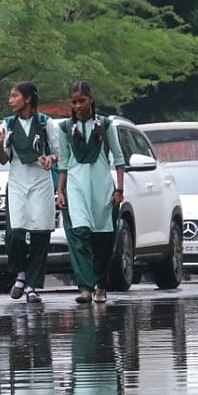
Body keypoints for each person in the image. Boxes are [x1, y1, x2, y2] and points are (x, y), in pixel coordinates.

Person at [55, 81, 125, 305]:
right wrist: (60, 191)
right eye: (74, 102)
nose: (78, 105)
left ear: (91, 99)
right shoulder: (65, 128)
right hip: (76, 187)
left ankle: (101, 285)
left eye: (81, 101)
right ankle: (85, 287)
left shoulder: (105, 125)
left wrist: (119, 189)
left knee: (102, 239)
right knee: (81, 234)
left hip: (102, 187)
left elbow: (119, 157)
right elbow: (64, 162)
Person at [0, 82, 56, 303]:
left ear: (27, 99)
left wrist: (51, 159)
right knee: (15, 233)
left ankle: (32, 286)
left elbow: (59, 152)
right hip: (18, 182)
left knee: (40, 234)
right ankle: (20, 274)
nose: (11, 100)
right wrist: (0, 144)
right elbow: (3, 159)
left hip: (40, 182)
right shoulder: (6, 125)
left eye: (15, 96)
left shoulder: (45, 123)